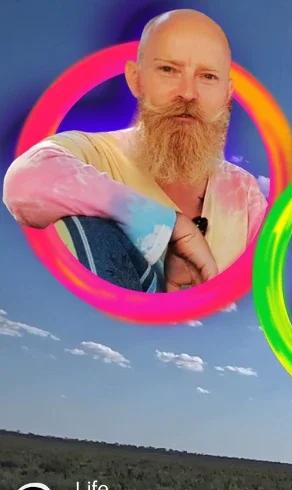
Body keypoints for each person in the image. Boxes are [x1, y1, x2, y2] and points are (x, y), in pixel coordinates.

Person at [2, 9, 266, 293]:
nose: (188, 93)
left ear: (227, 94)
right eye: (169, 70)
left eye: (208, 77)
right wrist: (166, 226)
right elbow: (23, 181)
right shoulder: (93, 153)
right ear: (135, 79)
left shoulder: (245, 193)